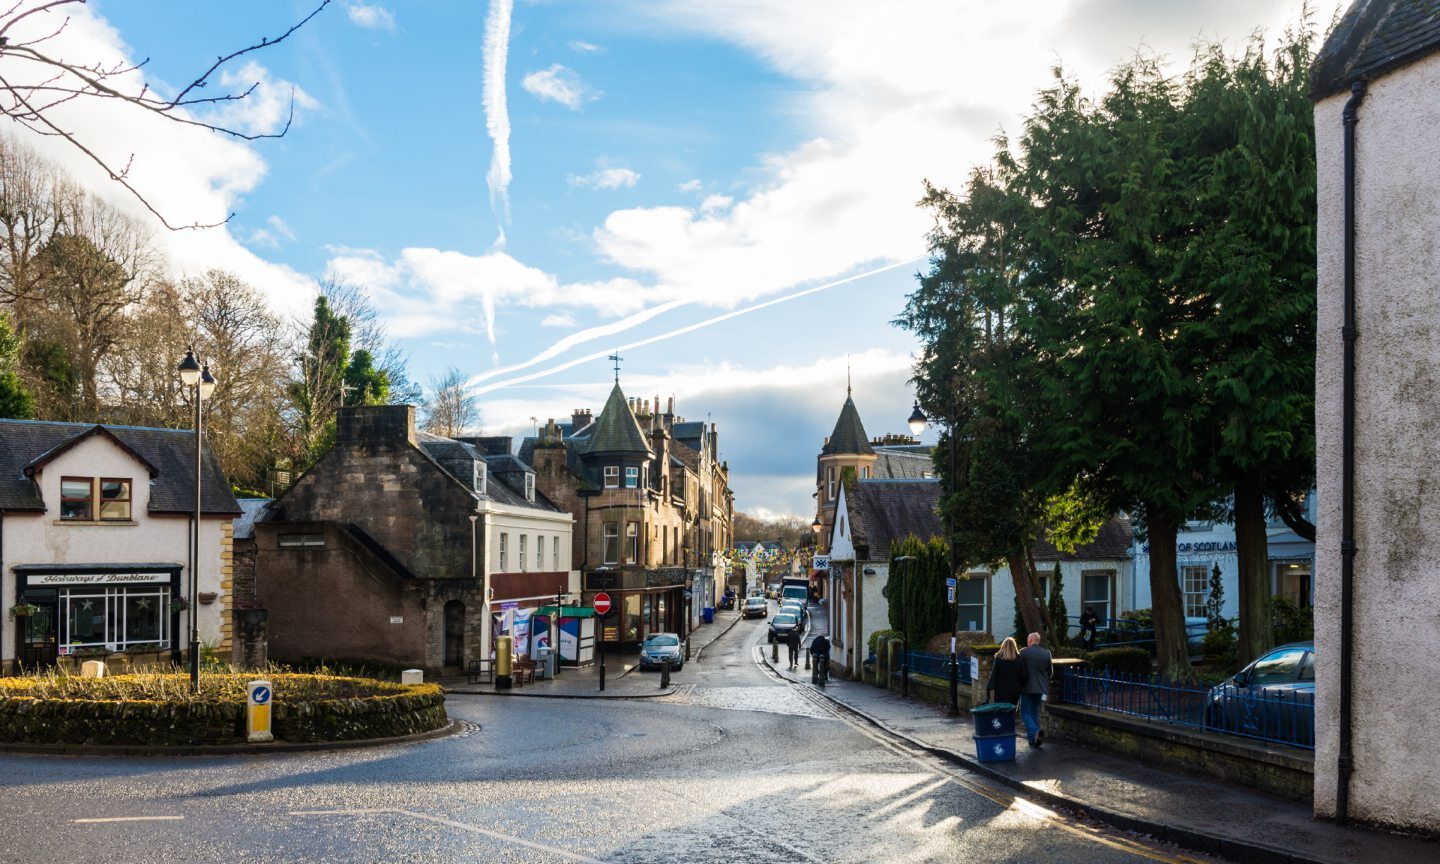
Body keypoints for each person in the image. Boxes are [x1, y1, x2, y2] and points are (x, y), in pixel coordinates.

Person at [1018, 631, 1053, 749]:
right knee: (1034, 712)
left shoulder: (1023, 652)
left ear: (1031, 640)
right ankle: (1032, 740)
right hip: (1040, 688)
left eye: (1028, 640)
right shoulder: (1046, 653)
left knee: (1024, 713)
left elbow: (1018, 669)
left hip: (1026, 687)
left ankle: (1036, 730)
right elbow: (1050, 672)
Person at [986, 637, 1027, 706]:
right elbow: (1023, 676)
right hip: (1014, 691)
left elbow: (994, 675)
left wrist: (989, 689)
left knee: (1000, 711)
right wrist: (1021, 686)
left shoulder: (998, 659)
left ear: (1003, 646)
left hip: (1000, 691)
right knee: (1011, 711)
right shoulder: (1019, 660)